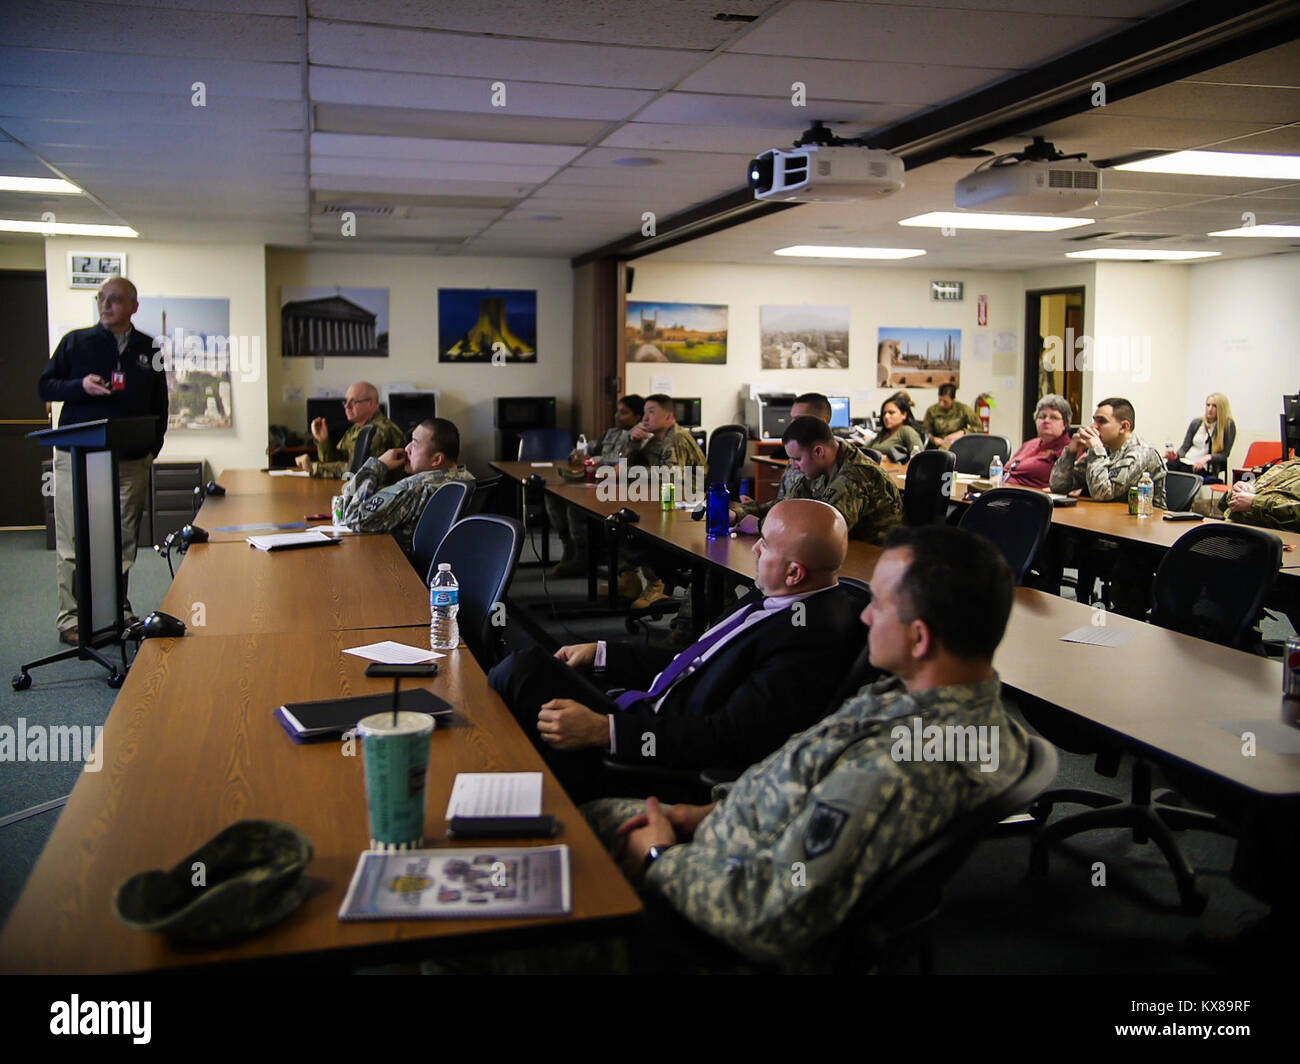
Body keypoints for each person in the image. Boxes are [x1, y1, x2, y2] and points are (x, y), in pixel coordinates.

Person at [582, 524, 1028, 968]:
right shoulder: (934, 703)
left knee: (568, 847)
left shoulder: (894, 769)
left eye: (879, 605)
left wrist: (660, 857)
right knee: (580, 825)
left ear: (919, 637)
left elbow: (767, 919)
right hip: (730, 834)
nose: (866, 616)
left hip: (713, 911)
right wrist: (704, 813)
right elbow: (804, 780)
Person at [488, 500, 868, 802]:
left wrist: (605, 731)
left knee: (523, 672)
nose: (753, 548)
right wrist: (601, 651)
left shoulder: (810, 639)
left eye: (765, 544)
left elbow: (732, 738)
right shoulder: (774, 595)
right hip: (650, 710)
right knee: (529, 670)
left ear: (794, 573)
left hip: (656, 756)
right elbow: (695, 662)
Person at [38, 277, 168, 646]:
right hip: (78, 458)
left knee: (123, 541)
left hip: (130, 460)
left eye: (114, 299)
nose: (106, 304)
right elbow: (44, 387)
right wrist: (79, 386)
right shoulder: (76, 343)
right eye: (102, 299)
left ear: (133, 306)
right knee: (74, 540)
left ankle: (115, 612)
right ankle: (70, 619)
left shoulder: (148, 347)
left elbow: (161, 403)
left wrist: (151, 450)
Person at [733, 416, 902, 543]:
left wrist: (761, 526)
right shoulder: (820, 468)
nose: (794, 465)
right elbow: (787, 505)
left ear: (819, 451)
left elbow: (824, 530)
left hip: (871, 561)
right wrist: (738, 514)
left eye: (797, 459)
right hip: (843, 552)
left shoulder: (855, 476)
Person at [613, 394, 706, 608]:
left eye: (651, 412)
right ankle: (630, 579)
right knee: (621, 518)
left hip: (686, 502)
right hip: (661, 498)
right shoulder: (655, 439)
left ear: (669, 416)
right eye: (644, 412)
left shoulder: (677, 439)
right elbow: (627, 466)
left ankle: (657, 584)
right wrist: (633, 443)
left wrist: (633, 471)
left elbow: (674, 476)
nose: (645, 418)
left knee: (637, 525)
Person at [339, 417, 474, 555]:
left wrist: (378, 465)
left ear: (437, 459)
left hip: (400, 567)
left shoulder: (415, 488)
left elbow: (353, 518)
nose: (407, 448)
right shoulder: (468, 479)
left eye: (415, 444)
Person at [547, 395, 643, 578]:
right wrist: (576, 455)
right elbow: (585, 447)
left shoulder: (639, 436)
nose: (617, 415)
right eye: (618, 410)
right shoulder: (611, 433)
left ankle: (585, 555)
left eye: (624, 412)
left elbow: (622, 462)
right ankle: (571, 548)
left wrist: (592, 459)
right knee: (554, 494)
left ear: (637, 416)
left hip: (619, 486)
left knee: (575, 502)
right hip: (599, 480)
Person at [1050, 397, 1167, 508]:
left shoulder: (1142, 453)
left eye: (1101, 421)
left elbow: (1102, 493)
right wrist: (1071, 451)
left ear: (1124, 427)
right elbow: (1058, 487)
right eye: (1094, 421)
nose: (1093, 427)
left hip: (1144, 522)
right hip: (1108, 518)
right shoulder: (1105, 448)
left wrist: (1096, 449)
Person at [295, 381, 406, 481]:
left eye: (353, 402)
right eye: (346, 401)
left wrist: (313, 468)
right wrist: (323, 441)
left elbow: (357, 472)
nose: (347, 406)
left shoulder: (378, 432)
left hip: (381, 496)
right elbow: (336, 463)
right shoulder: (356, 429)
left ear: (371, 403)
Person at [1004, 394, 1072, 489]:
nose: (1046, 421)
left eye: (1053, 417)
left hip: (1031, 498)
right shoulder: (1029, 444)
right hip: (1004, 490)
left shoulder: (1070, 449)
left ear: (1065, 424)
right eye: (1042, 416)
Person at [1166, 393, 1236, 482]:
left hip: (1204, 467)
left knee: (1183, 472)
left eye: (1214, 406)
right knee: (1168, 466)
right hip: (1187, 460)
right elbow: (1185, 447)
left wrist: (1207, 458)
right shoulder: (1197, 423)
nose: (1210, 409)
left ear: (1221, 408)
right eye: (1208, 405)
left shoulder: (1228, 426)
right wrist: (1176, 455)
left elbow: (1224, 454)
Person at [1222, 457, 1299, 532]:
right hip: (1234, 527)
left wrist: (1254, 502)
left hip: (1271, 535)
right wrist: (1238, 490)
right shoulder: (1286, 465)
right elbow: (1227, 501)